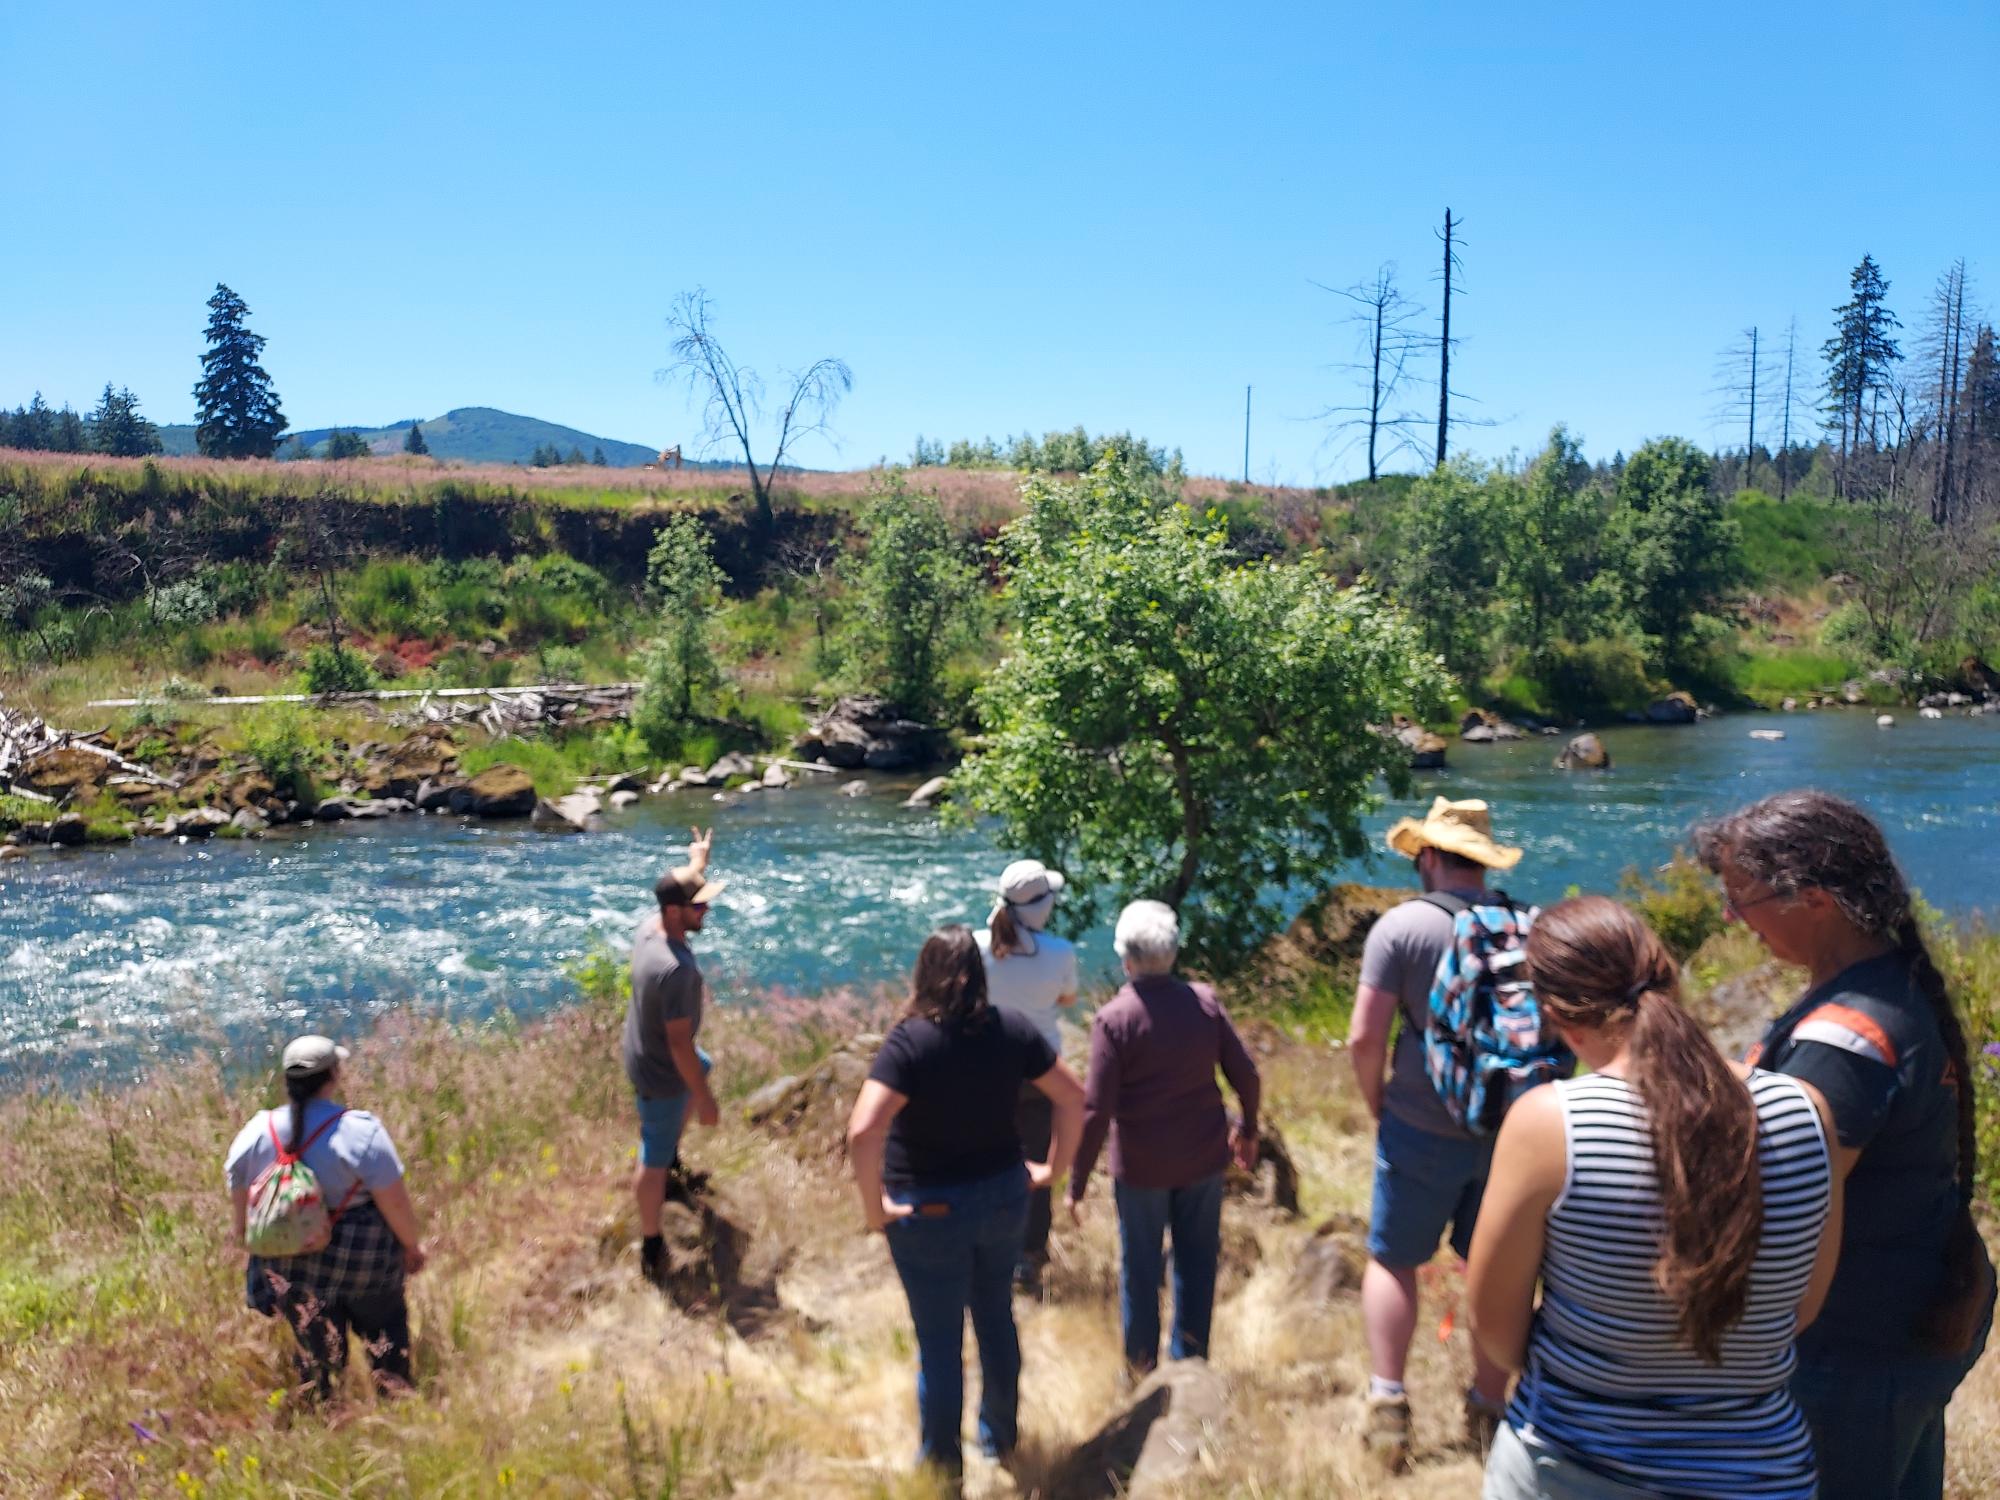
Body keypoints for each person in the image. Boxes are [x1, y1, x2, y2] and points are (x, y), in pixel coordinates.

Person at [1467, 896, 1843, 1500]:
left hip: (1570, 1468)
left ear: (1558, 1018)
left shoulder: (1550, 1126)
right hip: (1758, 1474)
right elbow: (1801, 1308)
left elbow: (1495, 1330)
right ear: (1669, 977)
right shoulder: (1805, 1111)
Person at [1698, 791, 1995, 1500]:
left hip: (1852, 1346)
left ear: (1816, 897)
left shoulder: (1848, 1040)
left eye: (1742, 898)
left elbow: (1777, 1202)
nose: (1733, 919)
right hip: (1902, 1321)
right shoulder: (1882, 987)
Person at [847, 926, 1085, 1478]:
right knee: (997, 1318)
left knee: (940, 1342)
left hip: (929, 1212)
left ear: (922, 974)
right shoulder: (1012, 1030)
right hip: (1004, 1199)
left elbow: (863, 1132)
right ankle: (998, 1439)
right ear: (978, 976)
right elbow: (1073, 1097)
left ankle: (942, 1467)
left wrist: (873, 1208)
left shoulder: (910, 1042)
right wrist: (1053, 1169)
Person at [1347, 796, 1521, 1468]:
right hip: (1509, 1132)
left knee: (1393, 1258)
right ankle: (1490, 1405)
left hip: (1419, 1122)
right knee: (1494, 1265)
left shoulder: (1402, 928)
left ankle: (1389, 1405)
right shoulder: (1521, 920)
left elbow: (1365, 1036)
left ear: (1427, 856)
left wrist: (1377, 1102)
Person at [1066, 900, 1260, 1380]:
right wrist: (1249, 1128)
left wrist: (1076, 1182)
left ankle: (1141, 1371)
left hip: (1142, 1167)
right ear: (1172, 955)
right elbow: (1247, 1076)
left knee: (1141, 1271)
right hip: (1202, 1158)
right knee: (1197, 1263)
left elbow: (1096, 1111)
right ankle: (1191, 1365)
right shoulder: (1205, 1003)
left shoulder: (1114, 1019)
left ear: (1126, 959)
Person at [225, 1035, 428, 1400]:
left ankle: (323, 1414)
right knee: (385, 1337)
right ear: (334, 1075)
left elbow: (242, 1223)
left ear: (286, 1082)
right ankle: (396, 1406)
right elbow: (395, 1204)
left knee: (317, 1354)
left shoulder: (255, 1133)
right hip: (365, 1265)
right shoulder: (361, 1131)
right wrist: (412, 1248)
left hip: (294, 1269)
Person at [975, 858, 1080, 1291]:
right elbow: (1068, 999)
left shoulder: (974, 946)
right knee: (1036, 1165)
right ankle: (1029, 1256)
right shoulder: (1059, 952)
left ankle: (985, 1245)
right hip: (1040, 1075)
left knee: (986, 1160)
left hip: (986, 1072)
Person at [626, 826, 724, 1285]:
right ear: (674, 911)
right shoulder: (676, 971)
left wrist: (698, 859)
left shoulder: (650, 931)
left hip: (640, 1049)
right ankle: (650, 1242)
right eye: (699, 905)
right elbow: (679, 1046)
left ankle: (671, 1156)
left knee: (702, 1065)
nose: (706, 910)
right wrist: (703, 1100)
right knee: (651, 1159)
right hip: (661, 1072)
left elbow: (678, 888)